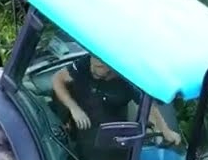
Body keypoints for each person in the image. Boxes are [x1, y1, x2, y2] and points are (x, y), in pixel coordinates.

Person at [52, 54, 182, 145]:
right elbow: (57, 79)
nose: (92, 68)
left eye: (99, 68)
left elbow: (147, 106)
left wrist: (165, 131)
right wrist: (74, 108)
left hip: (110, 134)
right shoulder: (85, 63)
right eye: (93, 63)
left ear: (112, 67)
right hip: (79, 127)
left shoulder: (128, 80)